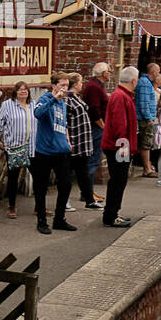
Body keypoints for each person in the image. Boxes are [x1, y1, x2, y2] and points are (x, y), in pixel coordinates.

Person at [30, 72, 74, 234]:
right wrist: (54, 98)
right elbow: (37, 114)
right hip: (44, 152)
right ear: (54, 85)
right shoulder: (45, 99)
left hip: (60, 151)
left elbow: (64, 123)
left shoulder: (63, 103)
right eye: (62, 85)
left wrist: (68, 141)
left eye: (66, 86)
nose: (64, 89)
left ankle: (59, 219)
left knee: (65, 185)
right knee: (41, 187)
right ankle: (42, 221)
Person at [101, 65, 139, 227]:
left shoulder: (121, 95)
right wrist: (124, 149)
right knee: (118, 181)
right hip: (119, 147)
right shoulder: (120, 96)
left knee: (118, 181)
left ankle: (113, 212)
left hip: (119, 146)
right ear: (133, 80)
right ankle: (111, 215)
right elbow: (120, 125)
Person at [0, 80, 34, 218]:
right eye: (20, 89)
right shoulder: (7, 105)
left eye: (25, 89)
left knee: (40, 177)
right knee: (13, 177)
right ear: (15, 92)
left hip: (32, 147)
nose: (23, 91)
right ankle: (11, 207)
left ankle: (39, 207)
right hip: (14, 147)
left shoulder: (33, 105)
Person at [65, 73, 100, 209]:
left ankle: (89, 199)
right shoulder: (67, 100)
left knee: (83, 172)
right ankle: (65, 201)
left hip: (83, 141)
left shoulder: (76, 97)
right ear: (74, 84)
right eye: (80, 82)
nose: (82, 84)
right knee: (68, 173)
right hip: (74, 140)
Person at [82, 61, 110, 195]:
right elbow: (94, 109)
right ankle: (88, 192)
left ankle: (89, 191)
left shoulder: (97, 86)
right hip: (95, 128)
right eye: (109, 71)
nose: (110, 74)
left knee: (94, 159)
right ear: (104, 73)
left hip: (96, 127)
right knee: (92, 159)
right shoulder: (94, 87)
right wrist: (103, 127)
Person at [136, 61, 161, 177]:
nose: (159, 74)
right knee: (145, 144)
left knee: (147, 143)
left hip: (147, 118)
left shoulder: (146, 82)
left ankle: (148, 167)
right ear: (154, 72)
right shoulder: (145, 83)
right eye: (158, 71)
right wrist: (149, 119)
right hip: (145, 119)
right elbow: (143, 103)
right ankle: (147, 169)